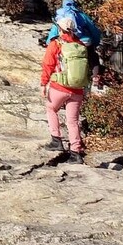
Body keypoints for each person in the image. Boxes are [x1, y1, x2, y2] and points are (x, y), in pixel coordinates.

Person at [41, 13, 89, 163]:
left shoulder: (56, 44)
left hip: (59, 87)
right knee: (73, 121)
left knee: (51, 108)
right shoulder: (80, 45)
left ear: (60, 29)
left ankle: (56, 140)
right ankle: (76, 153)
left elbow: (48, 65)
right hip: (77, 90)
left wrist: (43, 84)